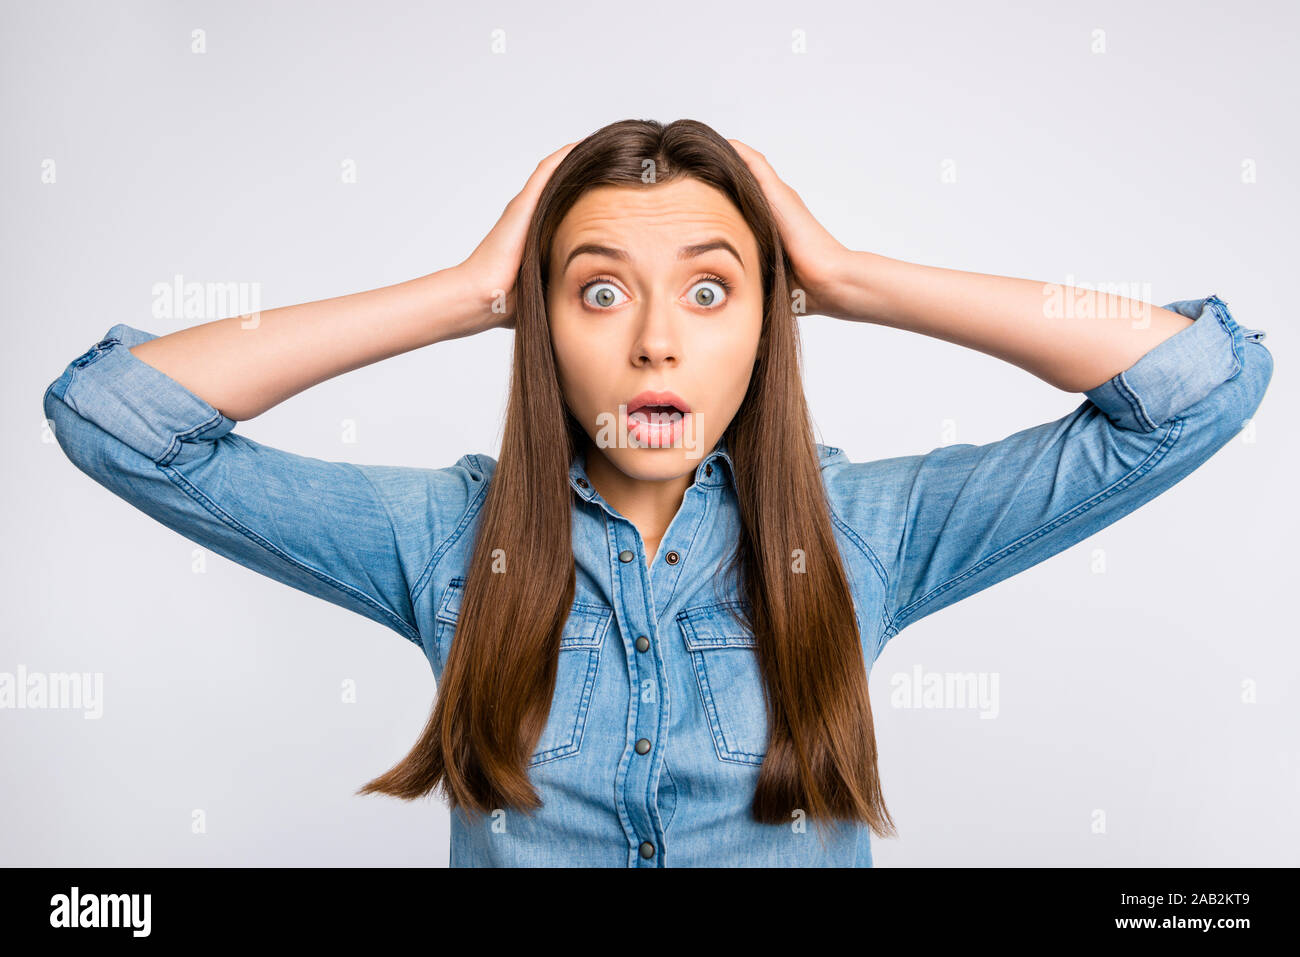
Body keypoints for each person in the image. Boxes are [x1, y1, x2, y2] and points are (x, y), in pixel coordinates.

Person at [42, 118, 1273, 867]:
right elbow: (116, 418)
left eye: (706, 290)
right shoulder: (445, 540)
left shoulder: (863, 535)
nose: (653, 345)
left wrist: (846, 274)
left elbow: (1193, 384)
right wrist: (464, 294)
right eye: (594, 291)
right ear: (544, 327)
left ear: (762, 329)